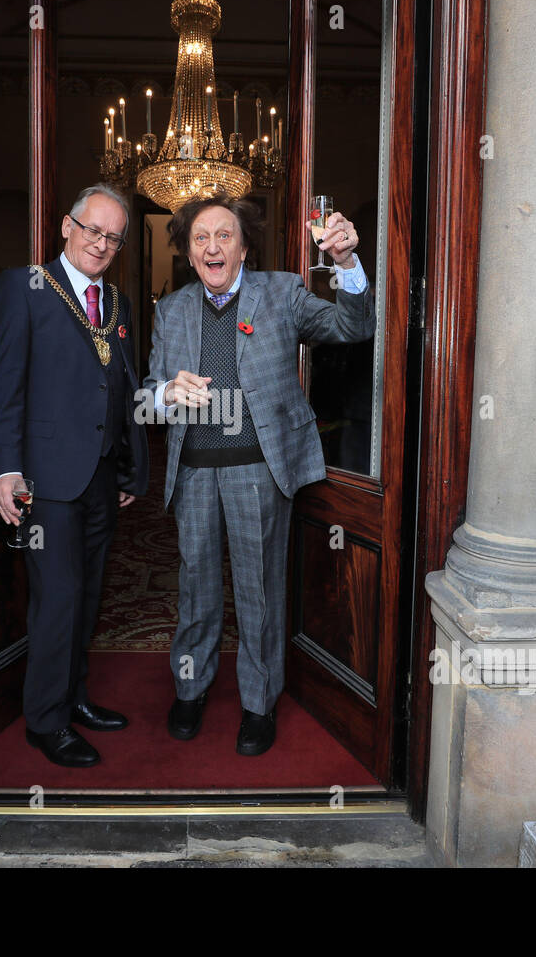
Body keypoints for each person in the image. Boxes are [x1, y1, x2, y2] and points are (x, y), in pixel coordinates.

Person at [143, 194, 375, 755]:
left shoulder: (282, 292)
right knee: (195, 591)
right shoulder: (170, 311)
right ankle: (191, 689)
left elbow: (353, 326)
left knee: (260, 595)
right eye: (201, 238)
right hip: (194, 473)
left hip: (258, 472)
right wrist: (164, 393)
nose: (213, 246)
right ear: (189, 253)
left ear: (244, 245)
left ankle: (258, 703)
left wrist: (346, 265)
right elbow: (145, 400)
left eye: (225, 235)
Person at [0, 184, 149, 767]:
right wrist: (7, 469)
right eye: (92, 230)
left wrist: (129, 466)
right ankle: (45, 722)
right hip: (47, 481)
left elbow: (122, 385)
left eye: (112, 237)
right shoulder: (25, 287)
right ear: (66, 226)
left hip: (102, 478)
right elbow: (5, 385)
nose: (100, 244)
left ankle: (74, 696)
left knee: (87, 597)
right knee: (56, 600)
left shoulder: (118, 304)